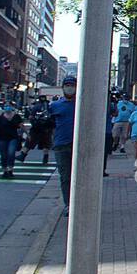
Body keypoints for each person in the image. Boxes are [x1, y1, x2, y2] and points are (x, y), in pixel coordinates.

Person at [48, 76, 78, 210]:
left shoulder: (81, 104)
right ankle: (68, 204)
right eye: (67, 85)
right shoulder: (54, 106)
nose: (70, 88)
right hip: (61, 145)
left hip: (79, 145)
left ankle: (77, 201)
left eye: (72, 85)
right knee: (65, 177)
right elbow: (50, 125)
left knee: (79, 176)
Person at [0, 102, 24, 178]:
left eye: (9, 106)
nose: (7, 107)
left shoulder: (16, 117)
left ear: (12, 107)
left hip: (13, 138)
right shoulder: (0, 118)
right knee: (4, 155)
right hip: (1, 139)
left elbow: (22, 126)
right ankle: (5, 170)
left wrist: (27, 134)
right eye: (6, 106)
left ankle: (10, 169)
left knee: (11, 153)